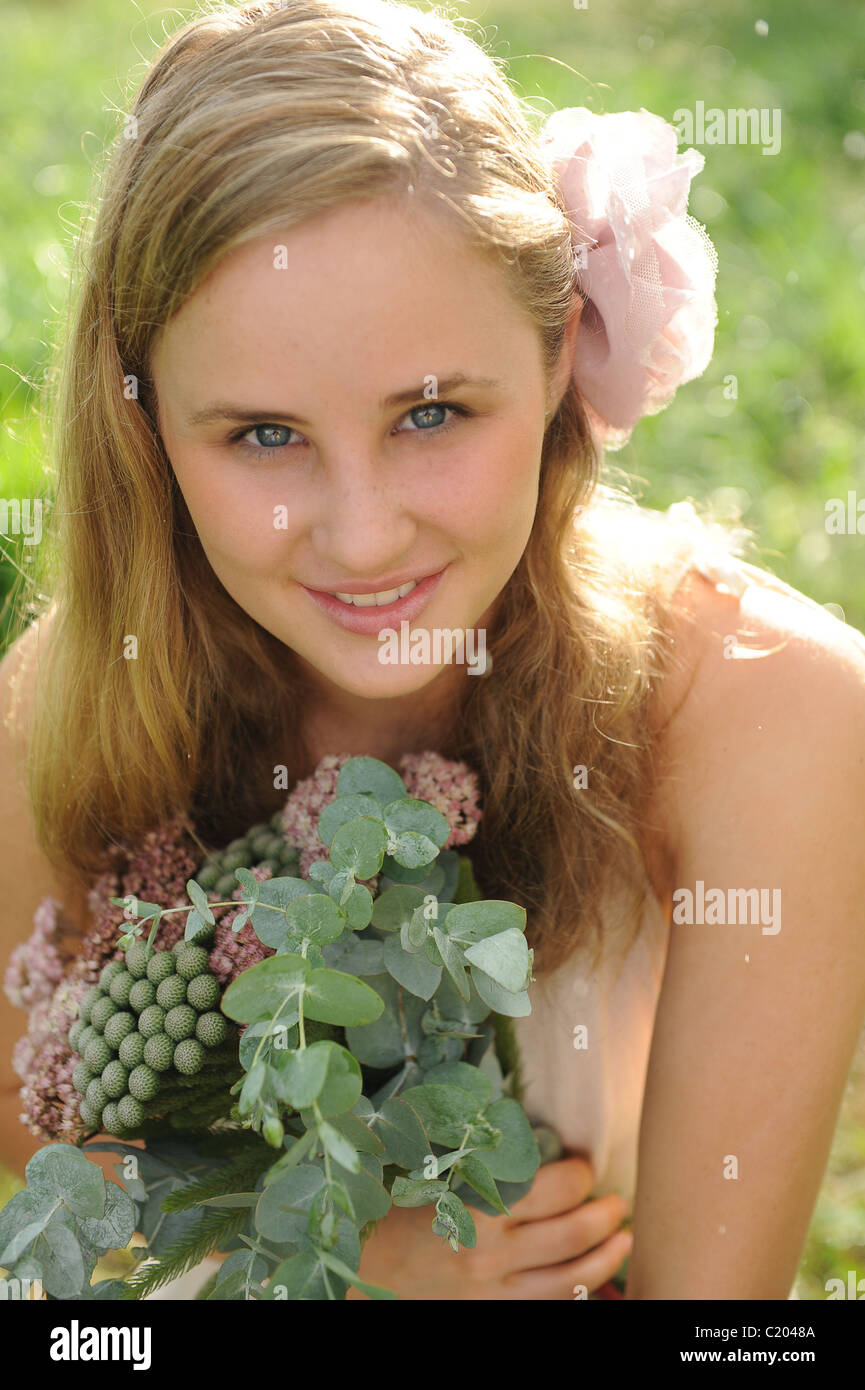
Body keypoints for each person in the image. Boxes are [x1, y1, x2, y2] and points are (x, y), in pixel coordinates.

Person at [2, 0, 865, 1301]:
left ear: (559, 352)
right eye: (261, 435)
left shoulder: (773, 715)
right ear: (147, 434)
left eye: (429, 412)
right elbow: (54, 1245)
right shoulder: (78, 693)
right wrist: (327, 1266)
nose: (360, 537)